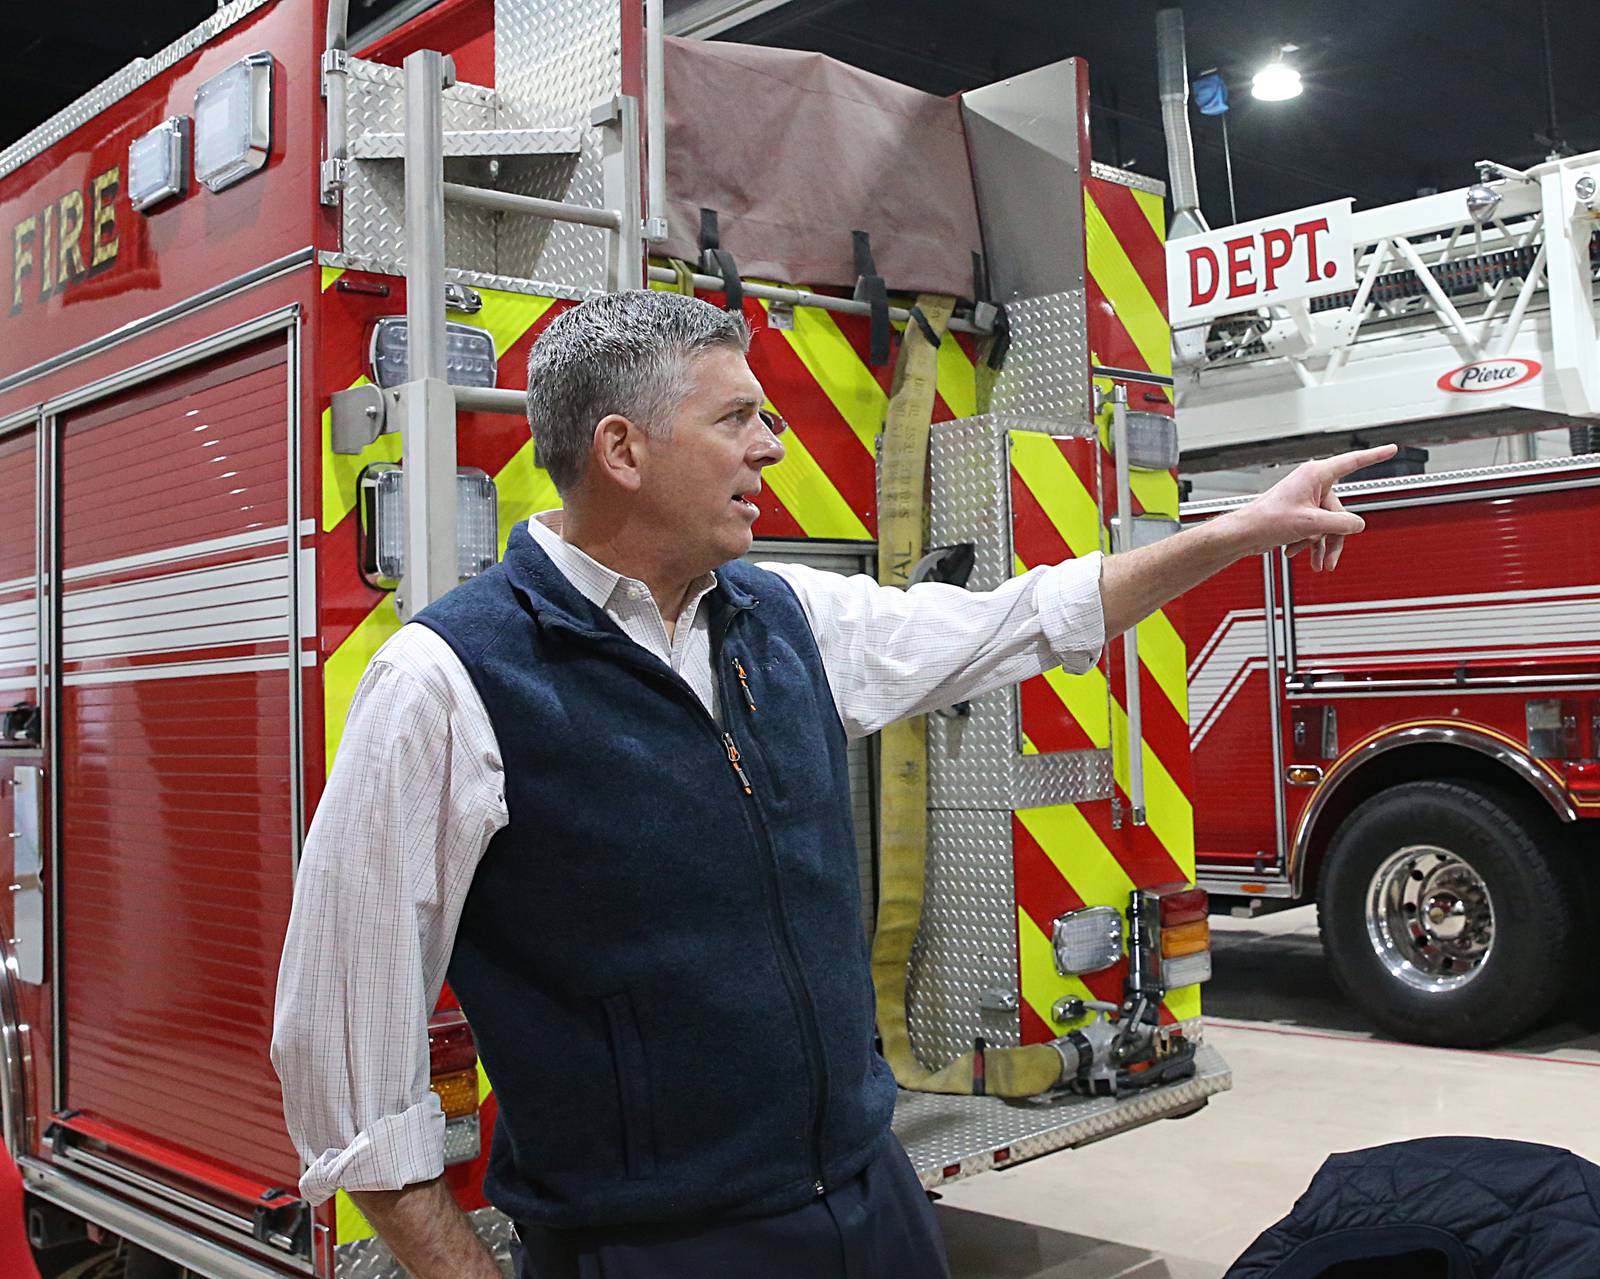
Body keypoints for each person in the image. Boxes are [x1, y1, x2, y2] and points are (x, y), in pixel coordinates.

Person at [272, 290, 1393, 1279]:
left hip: (871, 1203)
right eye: (736, 418)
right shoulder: (447, 679)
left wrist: (1239, 530)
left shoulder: (785, 617)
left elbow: (1028, 616)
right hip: (651, 1248)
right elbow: (342, 1047)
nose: (773, 442)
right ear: (622, 449)